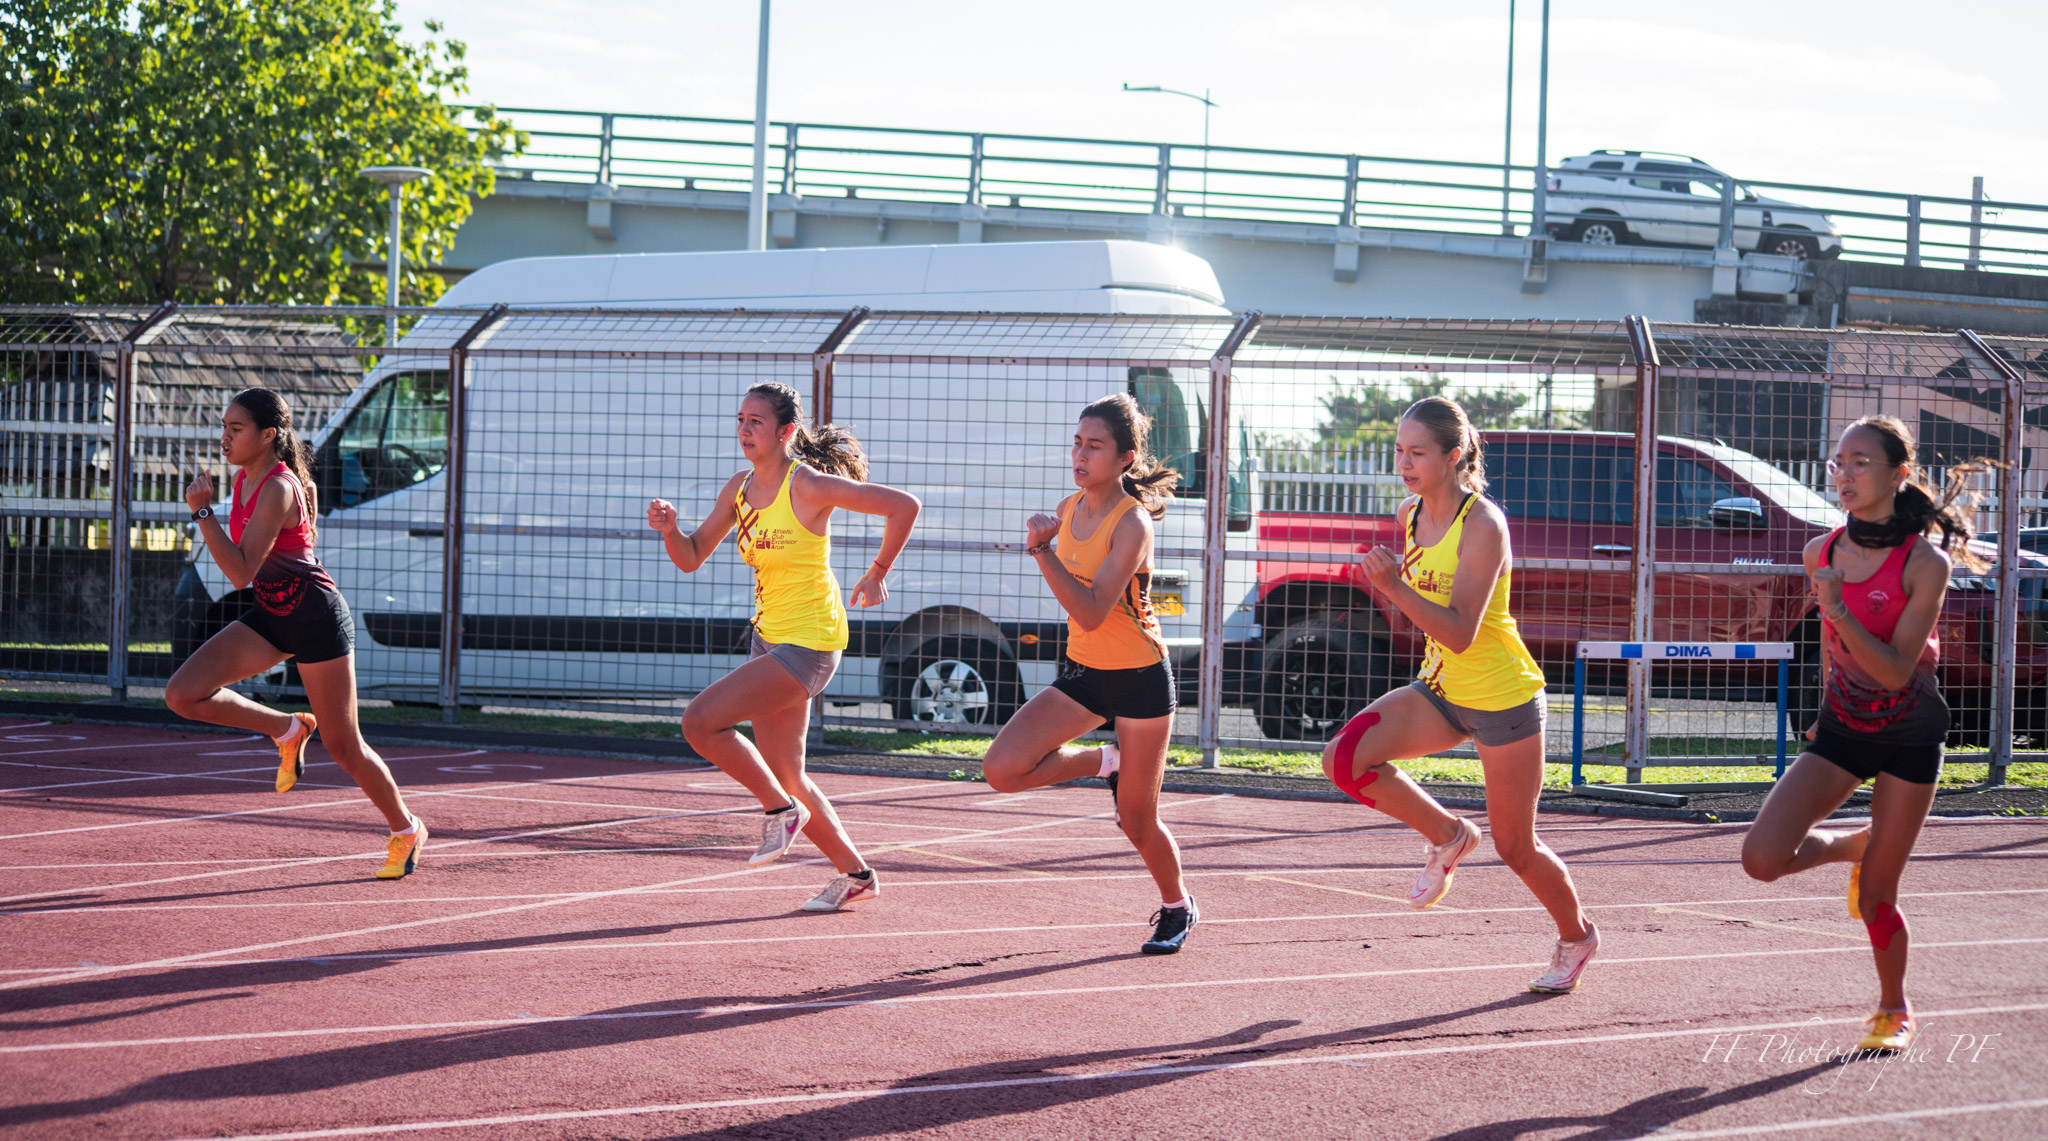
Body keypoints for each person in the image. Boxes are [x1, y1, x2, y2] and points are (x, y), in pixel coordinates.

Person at [1321, 396, 1597, 992]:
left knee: (1517, 847)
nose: (1405, 462)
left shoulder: (1484, 524)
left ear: (1453, 456)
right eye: (1399, 451)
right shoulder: (1411, 514)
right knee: (1344, 759)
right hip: (1441, 689)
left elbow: (1462, 631)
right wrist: (1398, 579)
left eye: (1417, 453)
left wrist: (1392, 586)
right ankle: (1449, 835)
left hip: (1502, 697)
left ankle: (1576, 937)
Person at [1740, 415, 1986, 1055]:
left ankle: (1893, 1008)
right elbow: (1833, 652)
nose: (1845, 475)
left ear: (1898, 474)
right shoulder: (1819, 551)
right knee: (1761, 860)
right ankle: (1853, 845)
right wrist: (1826, 707)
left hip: (1909, 735)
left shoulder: (1923, 563)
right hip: (1844, 728)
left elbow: (1897, 667)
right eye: (1837, 463)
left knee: (1879, 895)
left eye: (1861, 463)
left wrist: (1841, 609)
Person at [647, 381, 919, 912]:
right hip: (769, 638)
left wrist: (877, 572)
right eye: (741, 419)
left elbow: (903, 506)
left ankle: (779, 811)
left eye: (756, 422)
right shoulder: (740, 489)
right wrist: (670, 529)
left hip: (811, 642)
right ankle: (856, 873)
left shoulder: (809, 485)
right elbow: (691, 556)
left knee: (700, 723)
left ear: (785, 432)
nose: (745, 430)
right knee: (790, 774)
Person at [165, 388, 425, 879]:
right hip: (273, 614)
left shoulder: (279, 488)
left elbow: (240, 573)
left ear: (267, 435)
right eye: (223, 426)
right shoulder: (244, 480)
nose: (224, 437)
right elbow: (260, 573)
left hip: (316, 619)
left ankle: (407, 829)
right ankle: (288, 728)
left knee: (346, 747)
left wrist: (202, 514)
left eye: (235, 429)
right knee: (183, 693)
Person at [981, 394, 1196, 955]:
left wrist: (1042, 552)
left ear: (1125, 458)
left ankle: (1177, 907)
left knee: (1136, 821)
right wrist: (1047, 547)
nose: (1080, 454)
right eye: (1077, 442)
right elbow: (1083, 618)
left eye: (1094, 446)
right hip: (1085, 672)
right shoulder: (1068, 506)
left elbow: (1094, 609)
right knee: (1002, 769)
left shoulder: (1134, 525)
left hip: (1141, 679)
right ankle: (1106, 762)